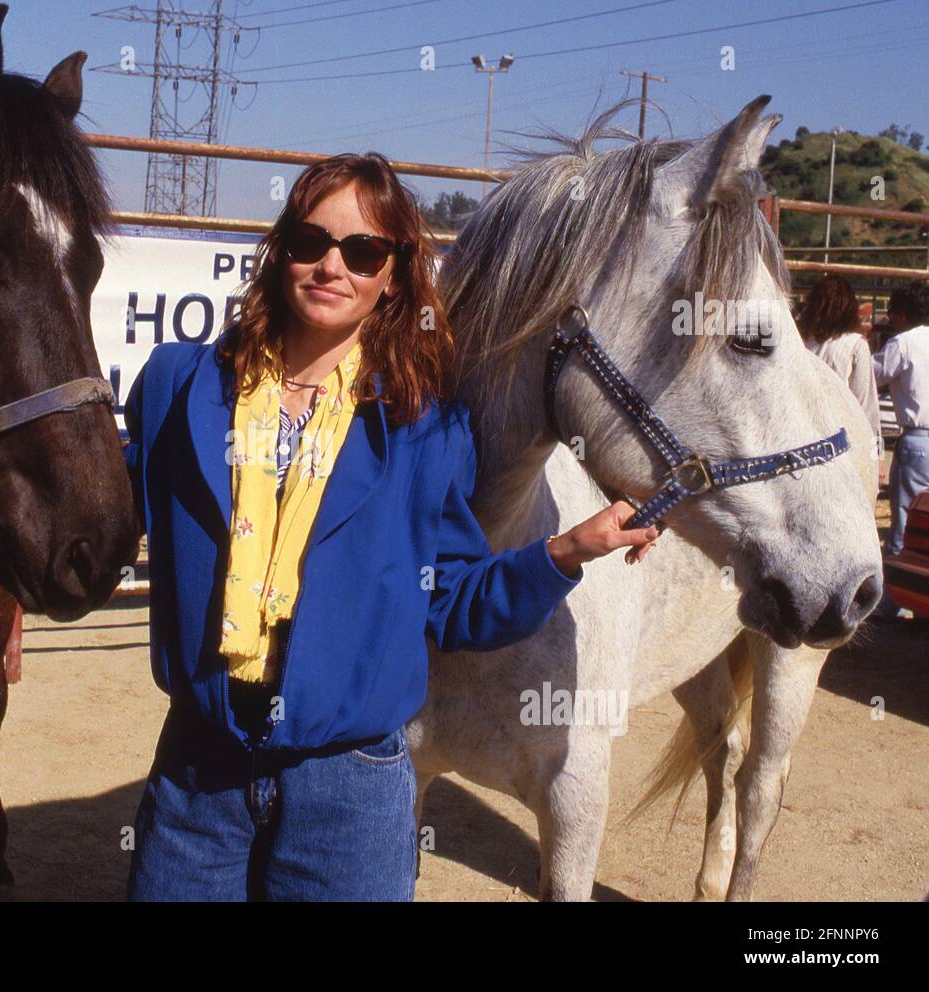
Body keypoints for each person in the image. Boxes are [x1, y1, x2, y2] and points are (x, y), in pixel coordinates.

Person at [120, 153, 660, 902]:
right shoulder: (179, 386)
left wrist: (569, 551)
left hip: (349, 793)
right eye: (311, 242)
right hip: (197, 773)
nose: (331, 265)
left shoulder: (425, 430)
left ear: (396, 275)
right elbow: (100, 515)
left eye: (362, 251)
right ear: (281, 252)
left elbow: (455, 600)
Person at [873, 281, 929, 564]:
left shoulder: (902, 344)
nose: (890, 318)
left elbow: (872, 375)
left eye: (892, 311)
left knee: (906, 523)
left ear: (904, 314)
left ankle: (894, 598)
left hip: (918, 440)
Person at [797, 274, 882, 447]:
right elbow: (866, 405)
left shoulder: (799, 341)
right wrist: (877, 454)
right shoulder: (855, 345)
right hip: (840, 437)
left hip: (800, 434)